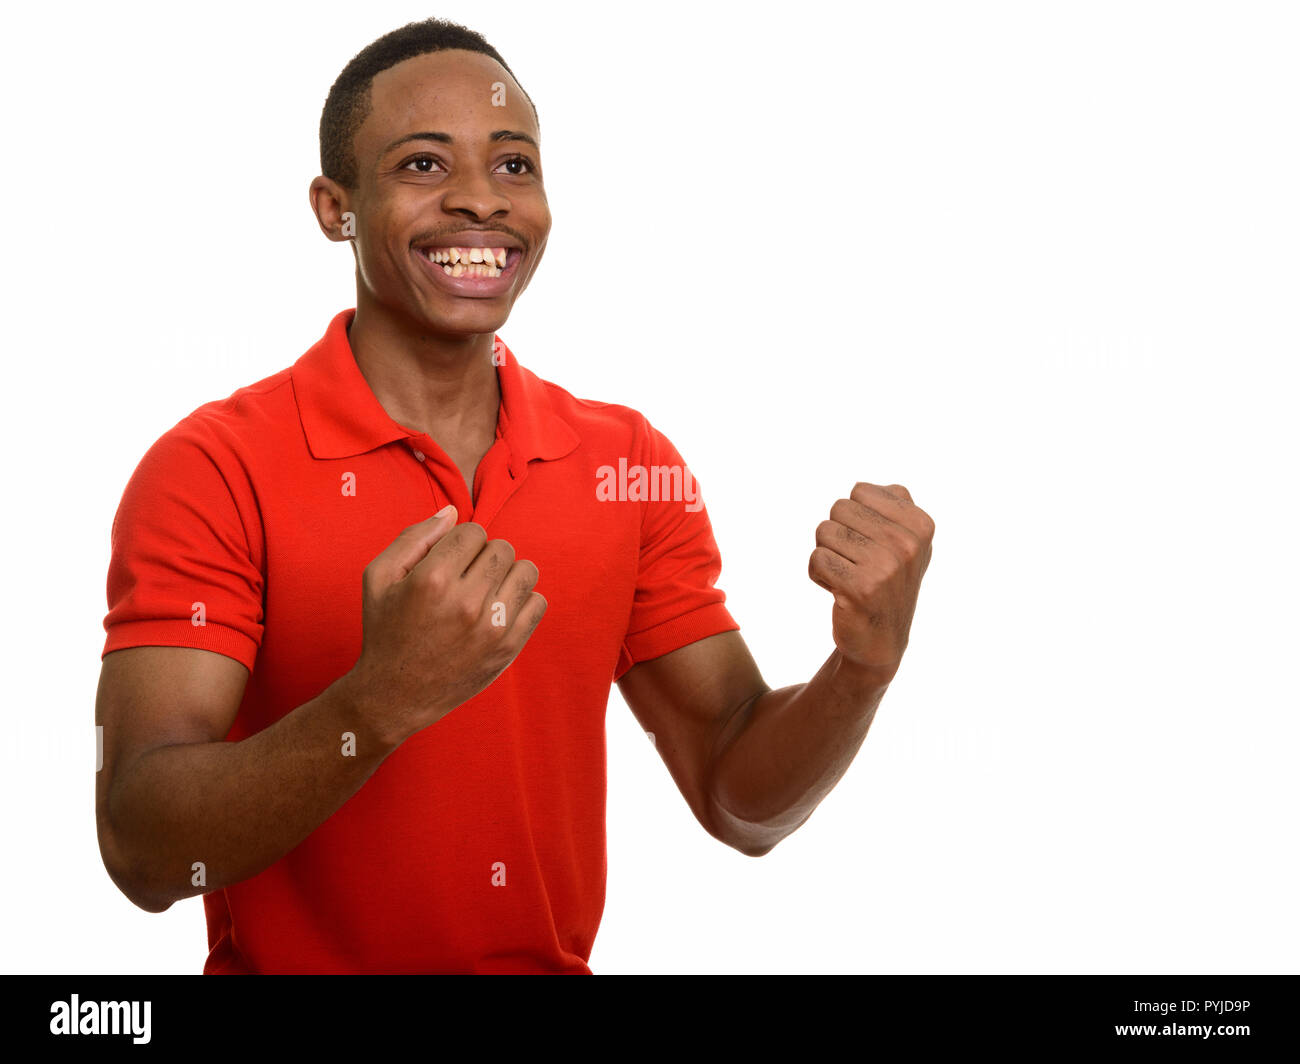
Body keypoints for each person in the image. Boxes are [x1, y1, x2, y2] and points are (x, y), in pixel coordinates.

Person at [96, 18, 935, 974]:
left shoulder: (626, 460)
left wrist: (859, 672)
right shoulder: (214, 467)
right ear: (336, 208)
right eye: (421, 164)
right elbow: (143, 851)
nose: (478, 202)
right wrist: (378, 703)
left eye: (514, 166)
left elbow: (737, 795)